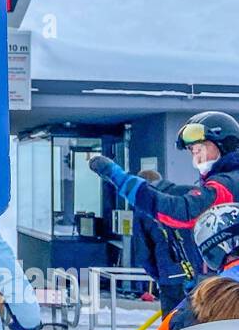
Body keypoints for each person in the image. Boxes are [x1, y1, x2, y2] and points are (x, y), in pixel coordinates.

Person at [89, 113, 239, 283]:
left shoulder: (225, 186)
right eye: (193, 152)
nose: (197, 159)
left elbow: (180, 211)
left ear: (225, 145)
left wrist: (120, 179)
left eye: (200, 150)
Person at [130, 169, 194, 316]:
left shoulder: (144, 208)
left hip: (171, 275)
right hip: (202, 273)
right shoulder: (187, 194)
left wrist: (160, 275)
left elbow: (143, 253)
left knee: (173, 324)